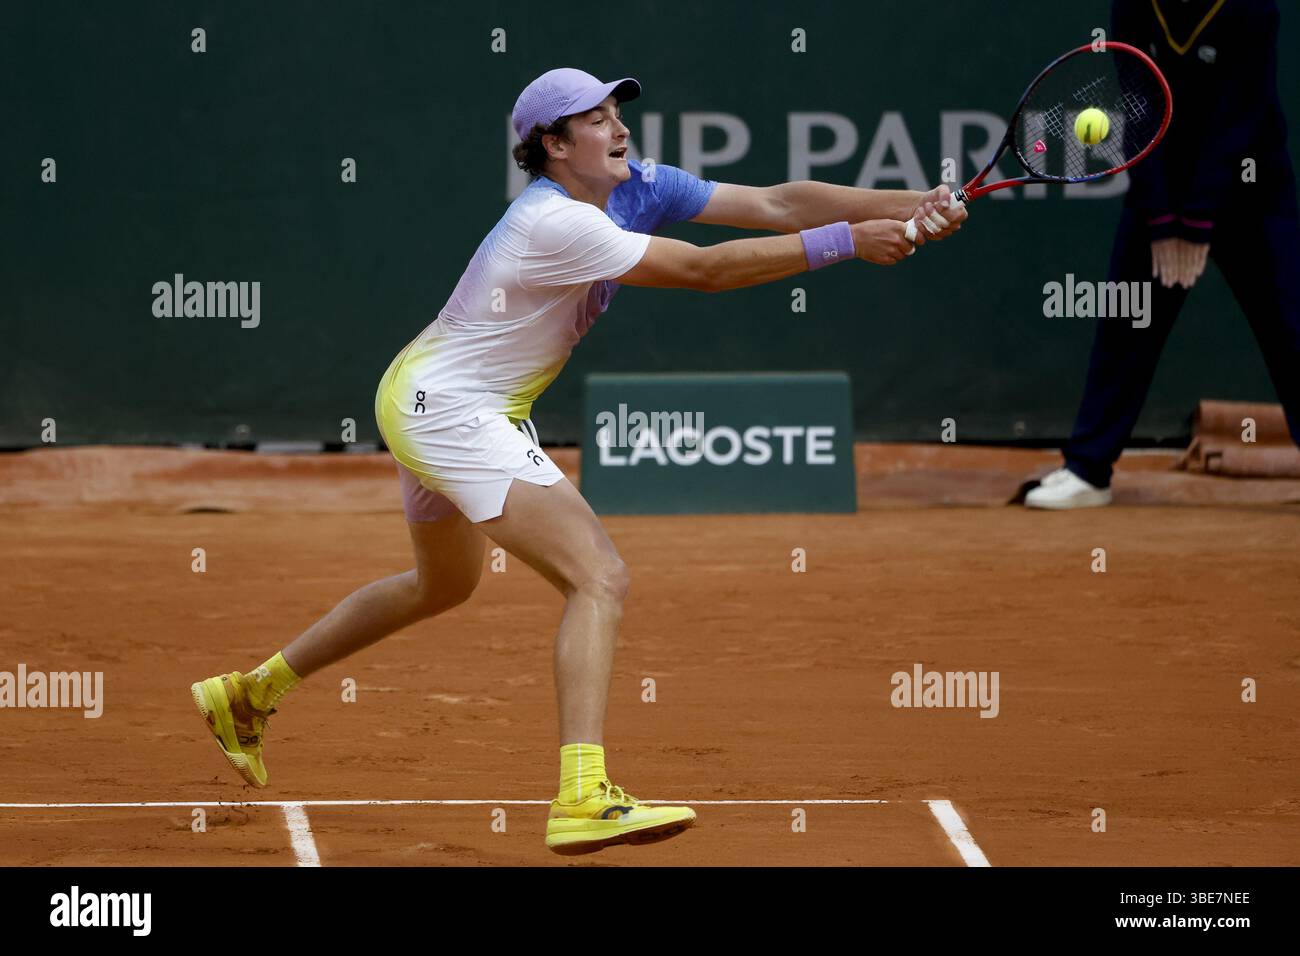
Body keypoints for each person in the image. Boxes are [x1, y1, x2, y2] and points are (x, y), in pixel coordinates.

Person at [191, 67, 966, 854]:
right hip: (451, 410)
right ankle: (583, 795)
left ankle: (250, 694)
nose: (619, 127)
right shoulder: (554, 224)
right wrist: (848, 244)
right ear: (554, 146)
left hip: (425, 395)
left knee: (442, 585)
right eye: (594, 120)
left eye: (616, 111)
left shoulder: (638, 184)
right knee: (597, 576)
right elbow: (705, 271)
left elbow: (776, 202)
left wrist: (911, 205)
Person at [1026, 0, 1300, 508]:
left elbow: (1240, 114)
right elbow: (1136, 103)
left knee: (1291, 325)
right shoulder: (1133, 3)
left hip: (1252, 187)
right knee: (1125, 319)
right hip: (1162, 187)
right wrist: (1161, 219)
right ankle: (1088, 469)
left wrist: (1196, 223)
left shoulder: (1254, 8)